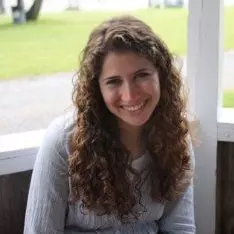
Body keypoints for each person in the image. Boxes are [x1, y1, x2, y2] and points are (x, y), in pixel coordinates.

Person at [24, 15, 195, 233]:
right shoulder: (63, 141)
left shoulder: (174, 137)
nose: (130, 95)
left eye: (141, 75)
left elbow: (180, 227)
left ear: (161, 77)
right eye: (114, 81)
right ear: (97, 90)